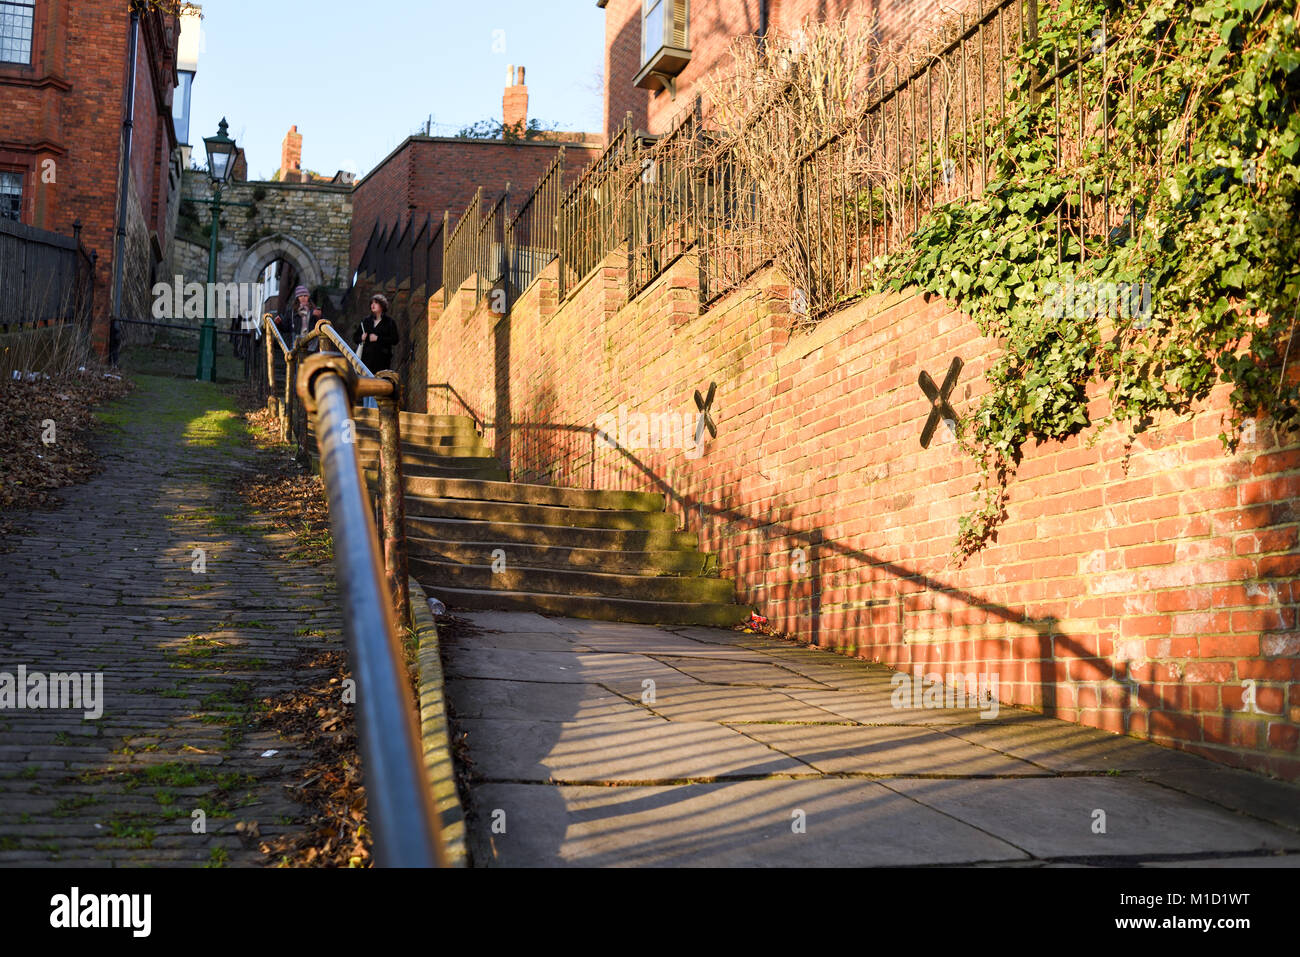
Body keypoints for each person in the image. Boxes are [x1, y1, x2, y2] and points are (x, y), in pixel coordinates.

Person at [355, 293, 399, 409]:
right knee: (366, 384)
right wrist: (362, 338)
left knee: (378, 385)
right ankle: (367, 410)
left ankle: (374, 410)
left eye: (376, 303)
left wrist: (378, 338)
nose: (373, 305)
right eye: (372, 303)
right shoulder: (365, 322)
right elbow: (355, 337)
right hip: (367, 360)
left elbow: (395, 339)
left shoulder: (389, 322)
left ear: (382, 306)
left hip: (382, 360)